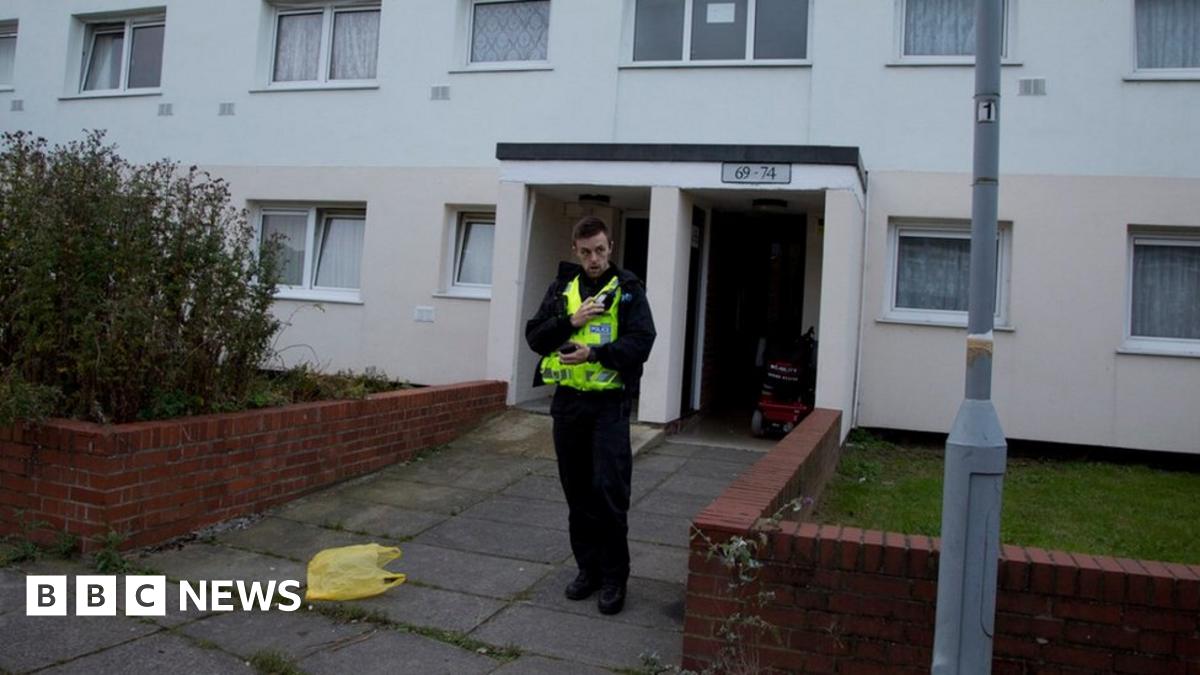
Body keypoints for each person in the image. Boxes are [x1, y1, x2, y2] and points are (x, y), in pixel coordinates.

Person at [524, 215, 656, 615]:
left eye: (600, 250)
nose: (594, 259)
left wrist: (596, 353)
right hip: (568, 405)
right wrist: (572, 321)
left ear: (610, 247)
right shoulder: (563, 288)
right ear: (575, 251)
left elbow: (641, 341)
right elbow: (535, 336)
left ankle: (615, 579)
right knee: (577, 492)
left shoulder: (629, 290)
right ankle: (589, 571)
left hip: (609, 407)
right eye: (586, 252)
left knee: (610, 494)